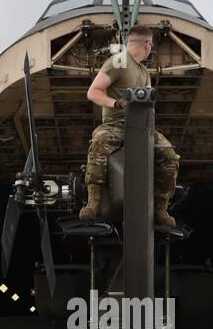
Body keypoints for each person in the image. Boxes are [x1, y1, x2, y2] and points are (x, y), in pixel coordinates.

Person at [77, 25, 180, 228]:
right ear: (147, 44)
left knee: (169, 156)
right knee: (99, 142)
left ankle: (160, 208)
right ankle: (93, 202)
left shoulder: (143, 72)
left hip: (140, 126)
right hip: (116, 124)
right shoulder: (119, 61)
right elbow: (93, 92)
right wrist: (116, 103)